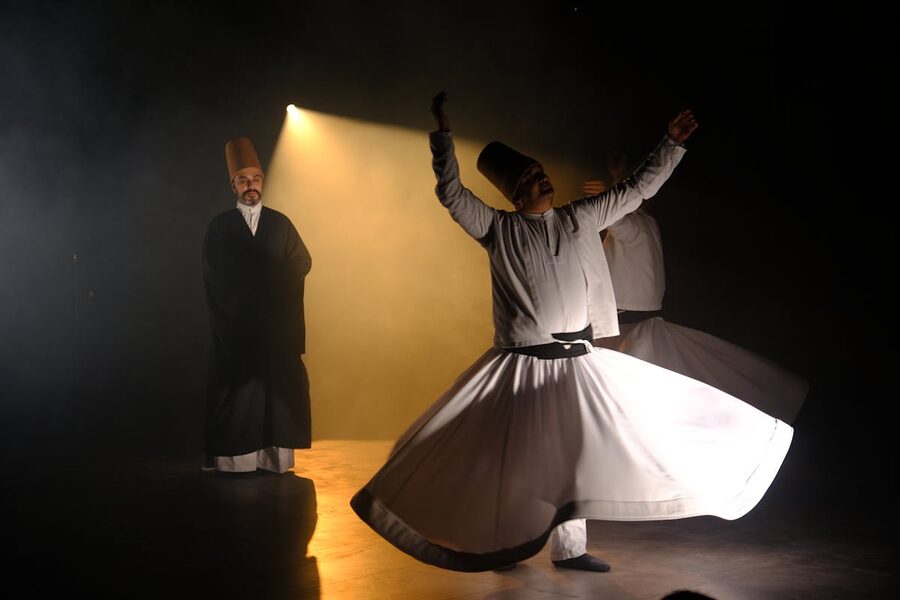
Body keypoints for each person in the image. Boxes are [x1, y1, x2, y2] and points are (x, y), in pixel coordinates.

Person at [351, 92, 792, 573]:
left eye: (542, 173)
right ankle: (505, 542)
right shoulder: (499, 229)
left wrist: (670, 144)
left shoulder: (577, 219)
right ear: (517, 196)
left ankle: (570, 550)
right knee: (513, 461)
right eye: (532, 179)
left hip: (577, 362)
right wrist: (443, 135)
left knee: (573, 455)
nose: (544, 180)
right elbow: (451, 194)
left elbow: (637, 191)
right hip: (520, 365)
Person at [588, 157, 807, 423]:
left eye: (625, 187)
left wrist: (604, 196)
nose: (621, 191)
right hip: (631, 327)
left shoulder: (635, 225)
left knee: (637, 406)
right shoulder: (646, 222)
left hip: (635, 331)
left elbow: (615, 215)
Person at [201, 136, 312, 473]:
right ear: (232, 186)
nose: (251, 185)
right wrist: (247, 298)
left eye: (256, 178)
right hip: (238, 328)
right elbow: (214, 274)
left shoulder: (281, 223)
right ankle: (236, 461)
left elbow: (301, 261)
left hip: (277, 328)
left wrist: (275, 286)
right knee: (237, 394)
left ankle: (274, 459)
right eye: (243, 180)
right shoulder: (219, 227)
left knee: (276, 394)